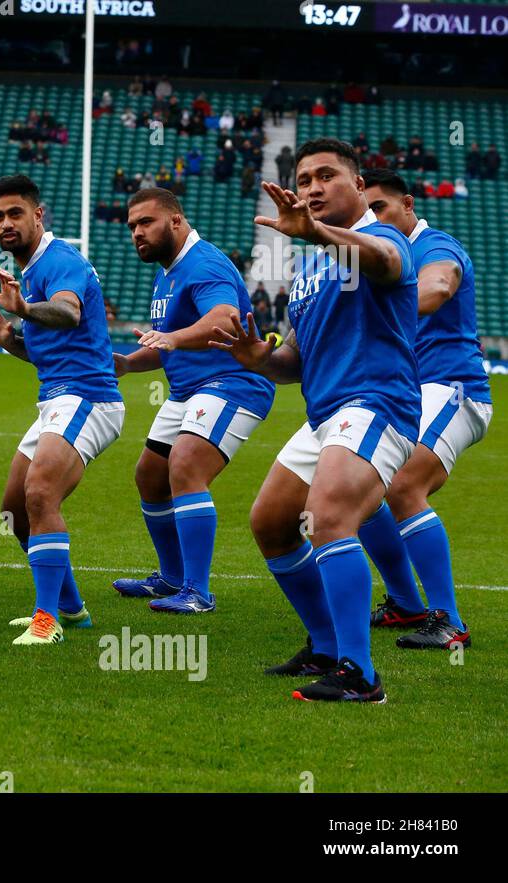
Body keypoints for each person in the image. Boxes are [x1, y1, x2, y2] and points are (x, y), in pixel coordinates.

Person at [213, 138, 420, 703]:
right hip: (325, 414)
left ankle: (361, 675)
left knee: (326, 516)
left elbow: (385, 264)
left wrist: (319, 233)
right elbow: (294, 362)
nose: (312, 188)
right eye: (303, 180)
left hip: (377, 403)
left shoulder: (382, 238)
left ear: (358, 187)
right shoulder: (307, 271)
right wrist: (259, 358)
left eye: (327, 176)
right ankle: (327, 646)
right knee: (271, 523)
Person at [0, 175, 121, 644]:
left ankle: (46, 620)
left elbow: (68, 313)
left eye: (16, 213)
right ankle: (72, 609)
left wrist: (26, 311)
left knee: (39, 495)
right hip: (57, 398)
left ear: (39, 215)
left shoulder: (59, 260)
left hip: (89, 398)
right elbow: (47, 351)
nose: (6, 223)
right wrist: (9, 339)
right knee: (15, 511)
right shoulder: (29, 268)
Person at [112, 188, 275, 613]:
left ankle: (198, 593)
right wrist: (128, 364)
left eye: (146, 222)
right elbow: (168, 342)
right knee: (150, 475)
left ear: (176, 221)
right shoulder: (167, 272)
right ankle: (171, 578)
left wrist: (172, 337)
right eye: (132, 226)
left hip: (232, 382)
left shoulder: (203, 263)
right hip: (189, 390)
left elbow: (224, 320)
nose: (137, 233)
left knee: (184, 464)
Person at [358, 169, 492, 649]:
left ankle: (449, 621)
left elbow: (437, 288)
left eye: (381, 208)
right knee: (361, 484)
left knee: (402, 482)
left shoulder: (433, 246)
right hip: (407, 390)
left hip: (453, 389)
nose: (374, 219)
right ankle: (405, 603)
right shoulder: (372, 258)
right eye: (366, 211)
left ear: (409, 203)